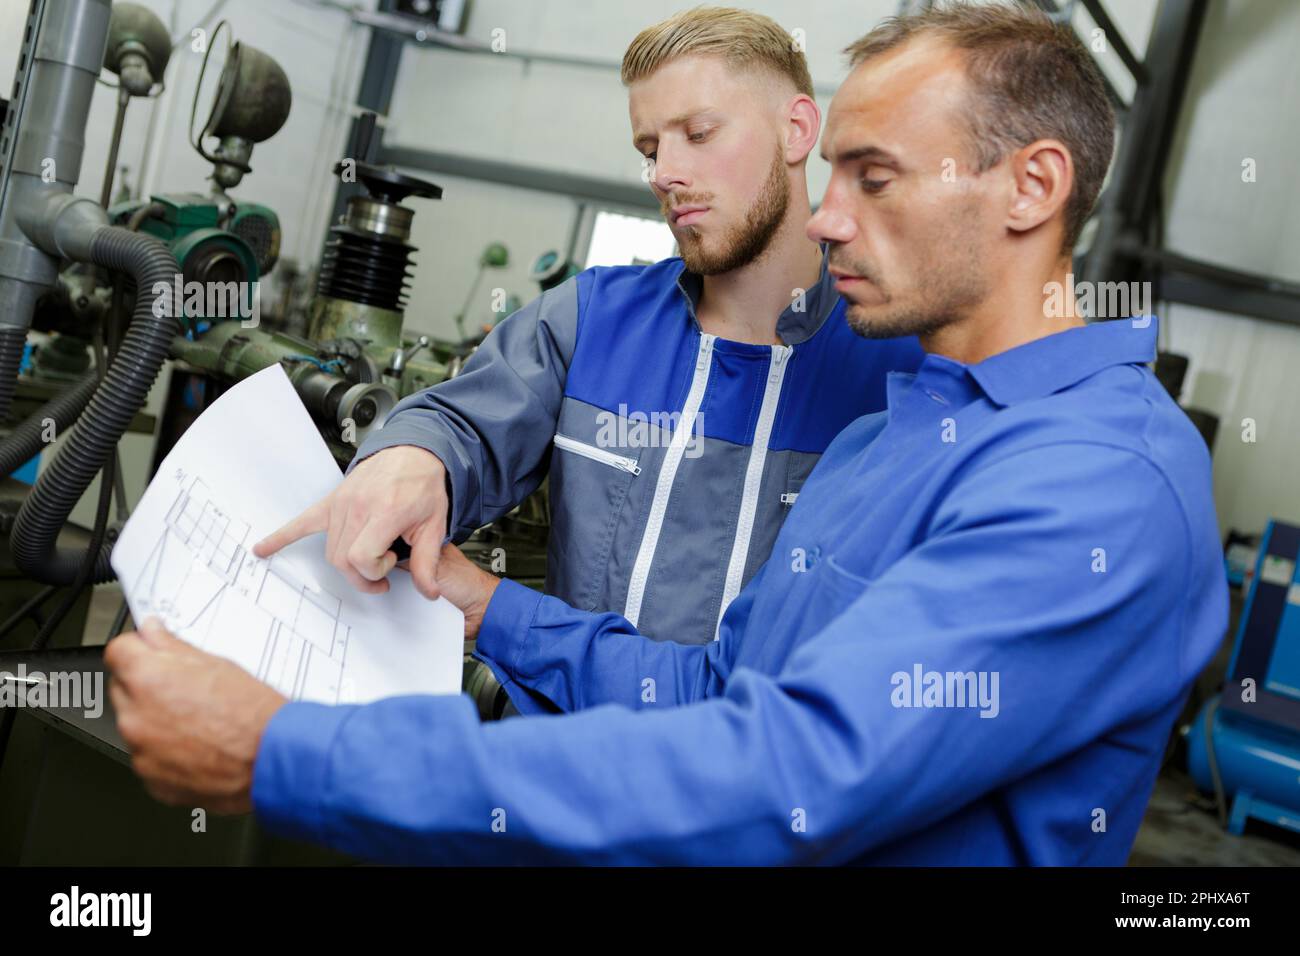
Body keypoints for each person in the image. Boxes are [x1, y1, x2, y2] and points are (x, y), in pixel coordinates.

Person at [106, 2, 1226, 864]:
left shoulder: (1097, 482)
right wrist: (485, 599)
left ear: (1032, 186)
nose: (829, 214)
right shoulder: (891, 436)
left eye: (874, 177)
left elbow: (787, 771)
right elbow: (711, 697)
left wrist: (292, 754)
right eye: (835, 173)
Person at [253, 7, 923, 657]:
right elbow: (464, 423)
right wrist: (413, 458)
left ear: (797, 129)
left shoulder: (900, 362)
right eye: (649, 149)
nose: (664, 173)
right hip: (563, 732)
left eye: (698, 133)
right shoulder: (590, 319)